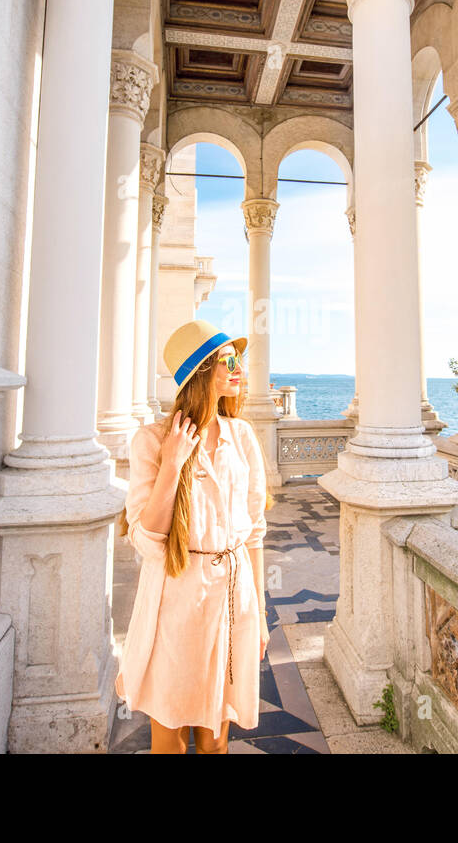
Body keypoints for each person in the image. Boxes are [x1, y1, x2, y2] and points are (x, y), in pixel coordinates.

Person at [114, 320, 271, 754]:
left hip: (234, 599)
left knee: (217, 740)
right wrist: (171, 465)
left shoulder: (242, 436)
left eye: (239, 359)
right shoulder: (152, 441)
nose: (239, 368)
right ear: (203, 372)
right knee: (170, 740)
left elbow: (255, 529)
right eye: (229, 360)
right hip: (176, 603)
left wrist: (258, 610)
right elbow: (147, 542)